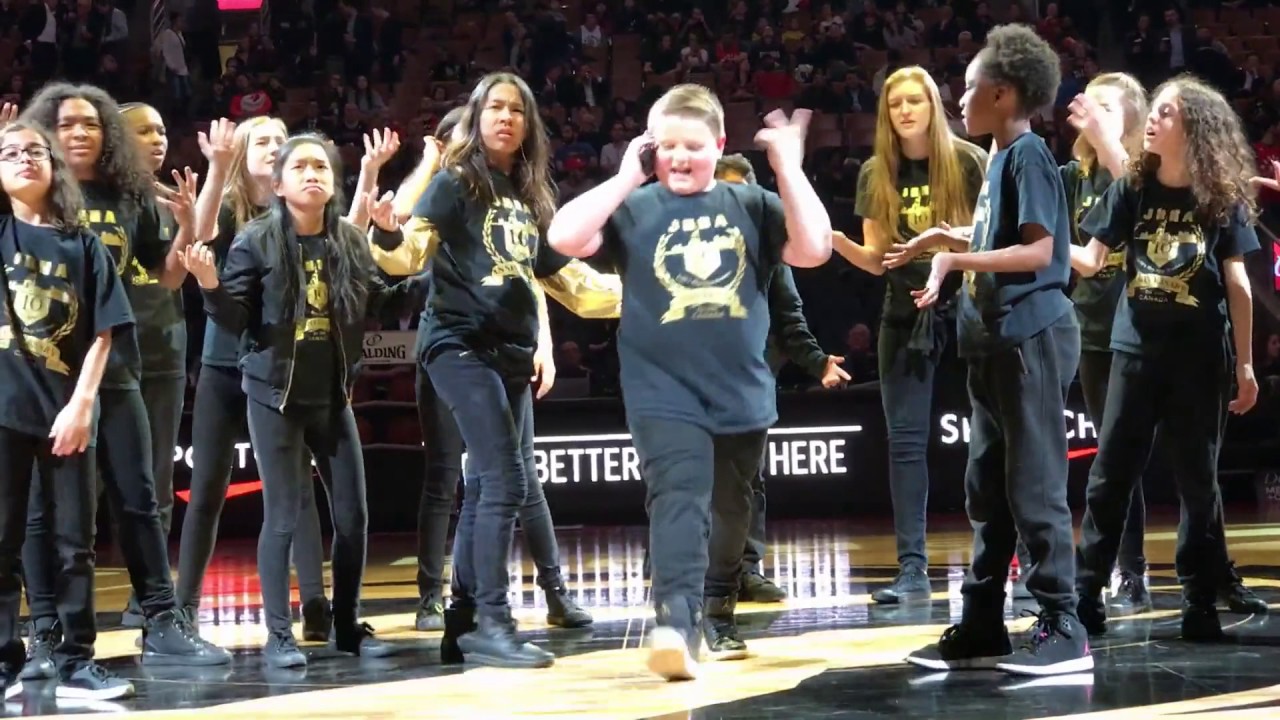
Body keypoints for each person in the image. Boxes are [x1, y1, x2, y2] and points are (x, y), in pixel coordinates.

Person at [548, 84, 833, 681]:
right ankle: (676, 623)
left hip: (742, 391)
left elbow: (814, 249)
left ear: (720, 145)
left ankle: (716, 606)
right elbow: (564, 238)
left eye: (694, 146)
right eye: (667, 146)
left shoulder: (751, 203)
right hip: (662, 393)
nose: (680, 157)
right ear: (651, 148)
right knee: (678, 500)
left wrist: (787, 167)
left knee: (730, 516)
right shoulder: (634, 207)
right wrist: (626, 175)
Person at [366, 72, 588, 669]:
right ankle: (493, 620)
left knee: (490, 485)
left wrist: (638, 290)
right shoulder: (455, 181)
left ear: (529, 125)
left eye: (517, 109)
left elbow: (567, 280)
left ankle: (463, 621)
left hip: (510, 354)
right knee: (505, 480)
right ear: (477, 116)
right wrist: (386, 230)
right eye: (495, 107)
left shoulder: (528, 196)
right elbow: (407, 252)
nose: (506, 117)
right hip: (458, 345)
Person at [19, 83, 229, 676]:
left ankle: (162, 621)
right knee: (53, 513)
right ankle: (46, 632)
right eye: (65, 125)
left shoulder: (130, 196)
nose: (80, 133)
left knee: (141, 498)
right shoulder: (34, 194)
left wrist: (187, 228)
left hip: (118, 366)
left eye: (91, 123)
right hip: (44, 376)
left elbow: (165, 280)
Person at [901, 25, 1092, 676]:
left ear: (1004, 93)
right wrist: (946, 235)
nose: (960, 95)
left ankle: (1063, 626)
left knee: (1033, 483)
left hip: (1031, 336)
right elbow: (1001, 235)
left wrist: (956, 257)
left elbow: (1045, 252)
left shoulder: (1029, 154)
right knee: (988, 486)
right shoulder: (1002, 159)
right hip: (995, 342)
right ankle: (984, 622)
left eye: (970, 84)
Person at [182, 134, 407, 668]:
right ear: (278, 185)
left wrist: (395, 241)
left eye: (322, 167)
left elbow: (386, 298)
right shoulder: (256, 241)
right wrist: (211, 287)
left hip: (332, 395)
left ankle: (348, 626)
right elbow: (236, 322)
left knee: (353, 517)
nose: (313, 174)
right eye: (300, 167)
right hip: (273, 394)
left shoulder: (350, 241)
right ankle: (279, 635)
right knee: (282, 515)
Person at [1066, 79, 1267, 617]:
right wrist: (1012, 245)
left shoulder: (1220, 196)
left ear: (1195, 128)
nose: (1153, 120)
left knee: (1198, 482)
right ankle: (1086, 596)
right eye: (1152, 111)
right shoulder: (1132, 187)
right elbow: (1089, 259)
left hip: (1199, 356)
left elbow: (1240, 286)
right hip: (1133, 352)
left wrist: (1245, 364)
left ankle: (1199, 599)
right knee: (1110, 476)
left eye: (1167, 113)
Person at [833, 66, 989, 605]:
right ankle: (912, 570)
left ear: (933, 105)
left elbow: (995, 237)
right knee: (904, 444)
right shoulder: (876, 172)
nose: (904, 110)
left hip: (970, 310)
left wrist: (942, 243)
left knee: (993, 434)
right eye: (895, 103)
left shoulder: (968, 160)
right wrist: (834, 241)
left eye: (914, 101)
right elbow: (878, 261)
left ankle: (998, 561)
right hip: (904, 314)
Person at [178, 116, 334, 639]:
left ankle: (315, 605)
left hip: (281, 369)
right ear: (243, 153)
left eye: (280, 140)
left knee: (297, 491)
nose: (275, 148)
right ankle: (182, 608)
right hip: (224, 365)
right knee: (207, 490)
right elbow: (197, 235)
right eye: (262, 141)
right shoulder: (224, 203)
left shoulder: (301, 208)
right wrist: (217, 167)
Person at [0, 121, 134, 701]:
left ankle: (77, 659)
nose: (24, 159)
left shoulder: (82, 243)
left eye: (35, 150)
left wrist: (82, 404)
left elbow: (105, 332)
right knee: (2, 542)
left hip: (67, 414)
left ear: (54, 167)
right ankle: (6, 663)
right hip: (4, 413)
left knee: (75, 542)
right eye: (8, 152)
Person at [715, 153, 849, 603]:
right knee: (684, 474)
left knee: (747, 480)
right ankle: (680, 566)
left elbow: (789, 316)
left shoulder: (770, 249)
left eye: (741, 194)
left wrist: (818, 363)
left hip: (751, 380)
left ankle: (745, 569)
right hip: (691, 378)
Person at [118, 102, 190, 554]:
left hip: (163, 351)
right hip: (106, 355)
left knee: (157, 477)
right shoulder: (91, 202)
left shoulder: (173, 201)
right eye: (143, 131)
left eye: (161, 130)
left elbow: (172, 278)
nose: (157, 139)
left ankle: (151, 597)